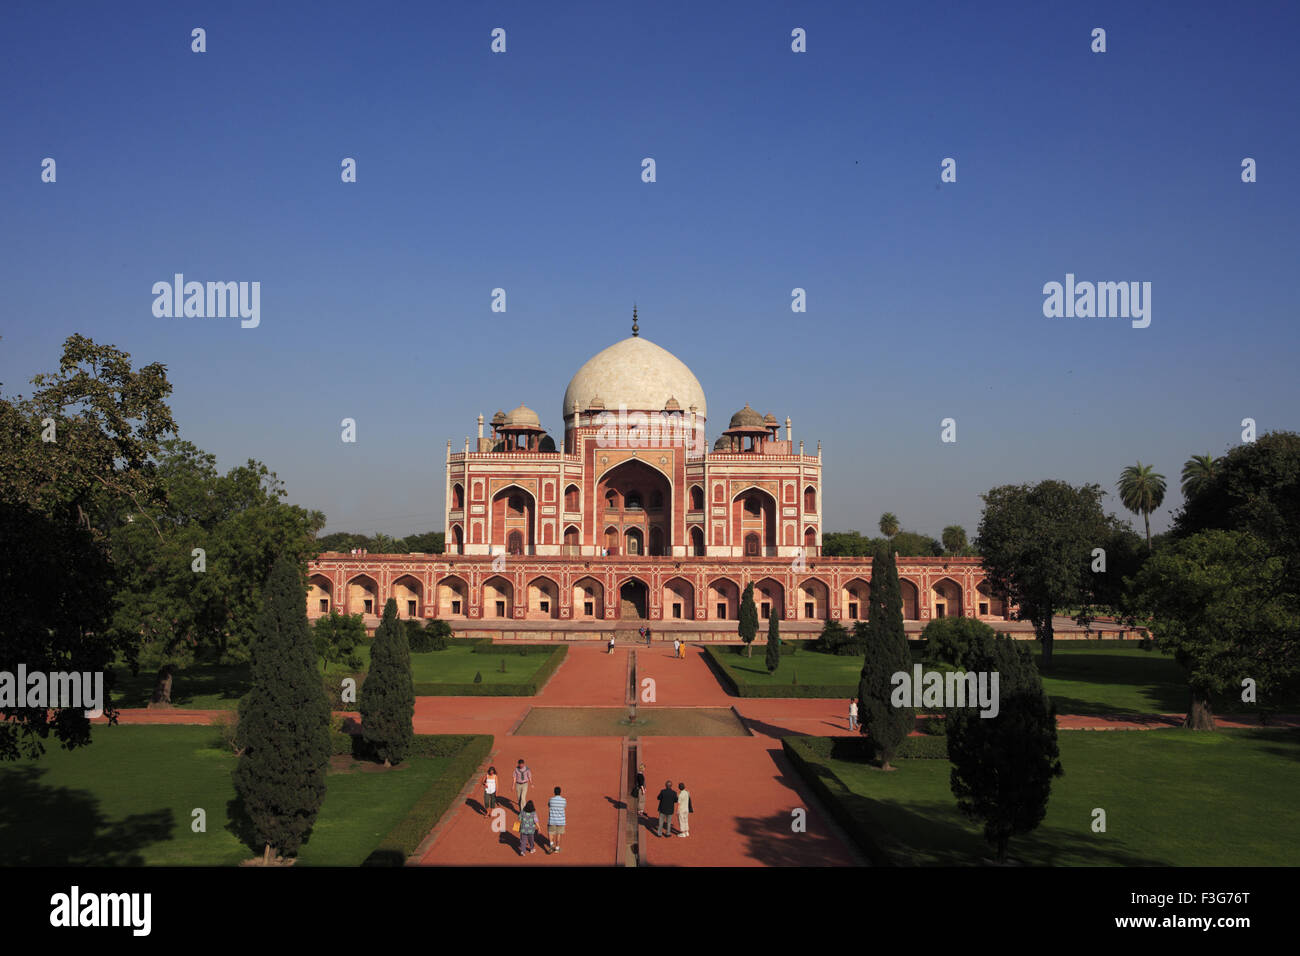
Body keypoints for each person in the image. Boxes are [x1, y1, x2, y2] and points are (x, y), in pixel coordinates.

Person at [547, 786, 567, 853]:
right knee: (558, 834)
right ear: (560, 792)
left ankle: (551, 845)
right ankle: (557, 848)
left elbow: (549, 805)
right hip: (561, 821)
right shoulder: (564, 800)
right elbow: (564, 806)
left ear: (554, 792)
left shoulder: (551, 800)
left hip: (552, 820)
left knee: (550, 833)